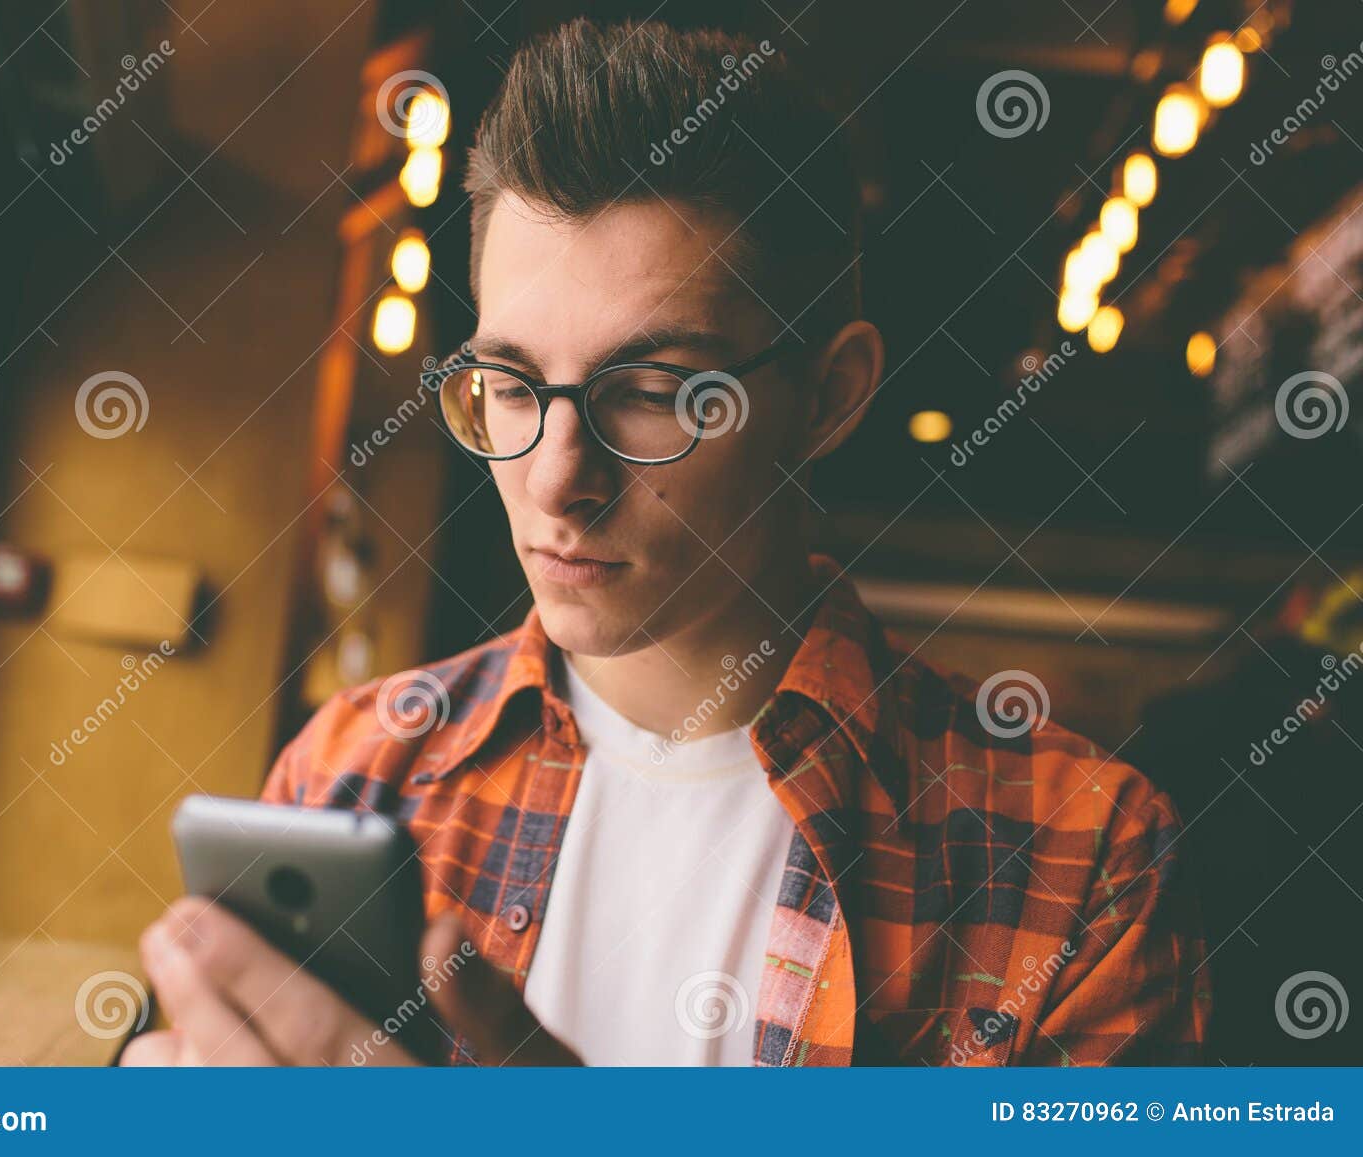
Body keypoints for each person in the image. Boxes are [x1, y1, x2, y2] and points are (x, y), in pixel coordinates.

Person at [123, 16, 1207, 1067]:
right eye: (509, 385)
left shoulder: (1080, 862)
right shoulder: (353, 770)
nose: (557, 478)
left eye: (650, 393)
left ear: (828, 396)